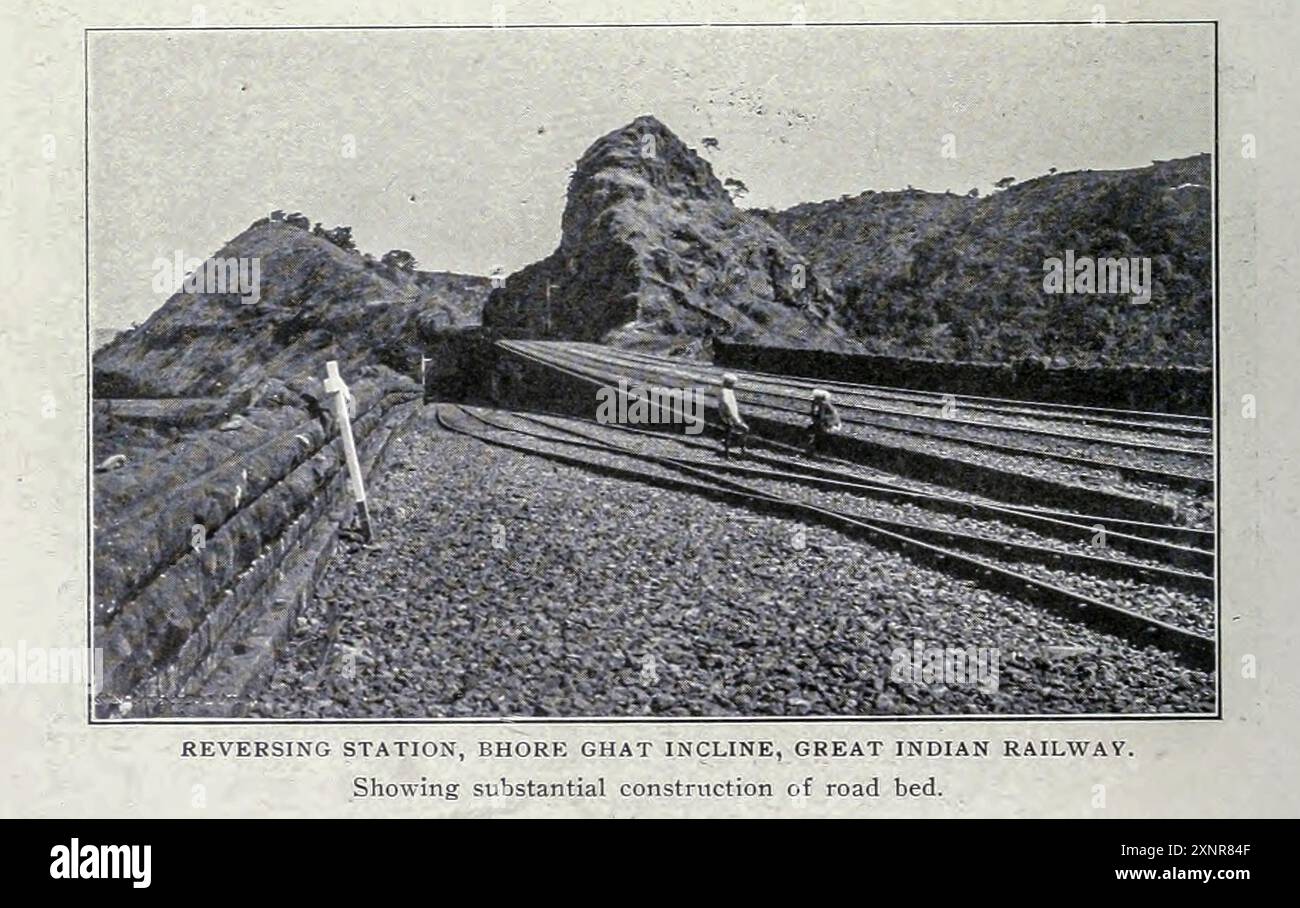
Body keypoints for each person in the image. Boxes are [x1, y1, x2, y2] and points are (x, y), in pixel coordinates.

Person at [718, 372, 749, 459]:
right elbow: (726, 405)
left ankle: (739, 449)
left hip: (731, 416)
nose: (733, 385)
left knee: (730, 434)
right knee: (736, 432)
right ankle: (737, 451)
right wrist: (734, 418)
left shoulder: (728, 391)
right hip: (728, 417)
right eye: (732, 383)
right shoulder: (725, 392)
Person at [805, 388, 842, 455]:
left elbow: (828, 417)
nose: (814, 399)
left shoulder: (825, 405)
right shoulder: (818, 404)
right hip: (823, 423)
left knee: (818, 432)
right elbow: (814, 414)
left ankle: (817, 449)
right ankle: (815, 448)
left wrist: (820, 420)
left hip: (830, 425)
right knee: (813, 431)